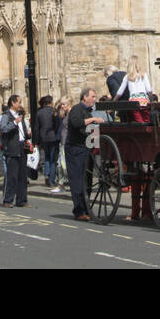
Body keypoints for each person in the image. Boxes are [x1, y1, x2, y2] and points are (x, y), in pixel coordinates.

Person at [65, 88, 98, 221]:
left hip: (86, 149)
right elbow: (76, 123)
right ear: (85, 97)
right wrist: (93, 119)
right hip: (75, 149)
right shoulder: (77, 109)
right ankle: (79, 211)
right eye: (93, 96)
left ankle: (86, 208)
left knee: (87, 182)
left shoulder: (90, 112)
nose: (95, 99)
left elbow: (93, 131)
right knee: (77, 181)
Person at [0, 94, 31, 207]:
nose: (20, 105)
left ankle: (22, 200)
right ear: (13, 102)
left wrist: (28, 135)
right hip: (12, 148)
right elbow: (3, 129)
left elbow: (24, 131)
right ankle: (7, 200)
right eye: (18, 102)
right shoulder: (7, 116)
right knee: (12, 176)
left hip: (21, 147)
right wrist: (15, 122)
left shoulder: (19, 116)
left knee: (22, 175)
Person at [34, 95, 58, 188]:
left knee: (47, 158)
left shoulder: (39, 112)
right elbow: (56, 125)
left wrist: (36, 141)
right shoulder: (53, 112)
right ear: (50, 102)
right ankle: (51, 180)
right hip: (53, 137)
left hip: (43, 138)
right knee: (53, 160)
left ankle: (46, 176)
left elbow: (36, 128)